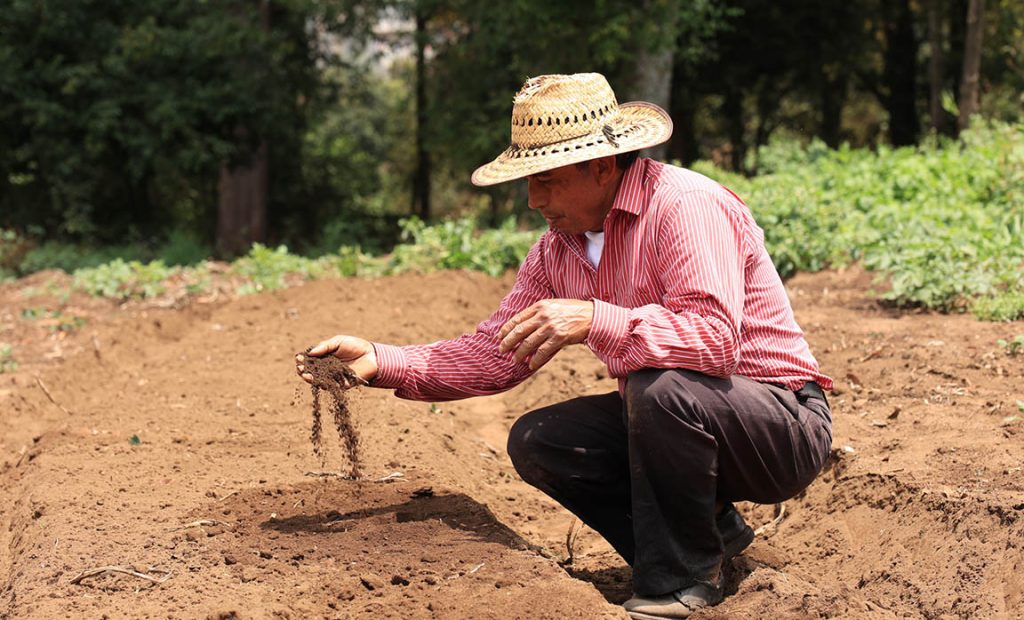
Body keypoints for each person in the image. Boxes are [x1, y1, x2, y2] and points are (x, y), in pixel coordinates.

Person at [296, 72, 832, 619]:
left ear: (601, 166)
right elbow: (494, 351)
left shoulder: (685, 206)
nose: (534, 200)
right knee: (541, 440)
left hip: (780, 424)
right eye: (529, 182)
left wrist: (596, 317)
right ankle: (709, 534)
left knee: (657, 388)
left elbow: (713, 340)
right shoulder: (557, 251)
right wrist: (382, 360)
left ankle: (681, 580)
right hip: (682, 422)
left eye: (547, 180)